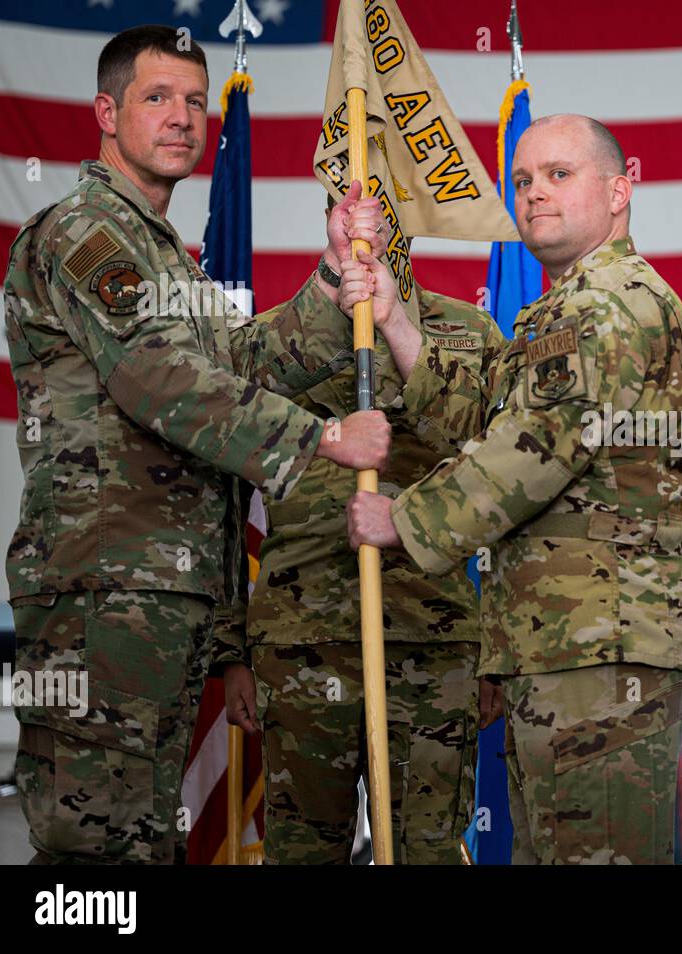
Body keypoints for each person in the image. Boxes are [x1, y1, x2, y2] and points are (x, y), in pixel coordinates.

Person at [3, 24, 390, 864]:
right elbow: (162, 380)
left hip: (164, 598)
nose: (182, 118)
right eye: (156, 98)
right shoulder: (85, 234)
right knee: (93, 845)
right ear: (106, 112)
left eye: (193, 101)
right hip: (103, 591)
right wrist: (323, 438)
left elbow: (238, 361)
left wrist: (329, 284)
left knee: (139, 839)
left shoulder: (166, 259)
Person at [343, 114, 682, 864]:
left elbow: (529, 451)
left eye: (559, 174)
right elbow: (490, 415)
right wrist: (396, 321)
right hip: (564, 647)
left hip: (600, 651)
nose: (534, 192)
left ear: (619, 190)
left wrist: (403, 519)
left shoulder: (609, 304)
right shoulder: (566, 310)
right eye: (523, 179)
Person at [218, 217, 505, 863]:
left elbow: (507, 477)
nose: (371, 225)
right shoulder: (271, 339)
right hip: (301, 640)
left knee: (427, 850)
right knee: (301, 850)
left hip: (433, 639)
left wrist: (500, 651)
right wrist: (229, 649)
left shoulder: (470, 334)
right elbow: (223, 497)